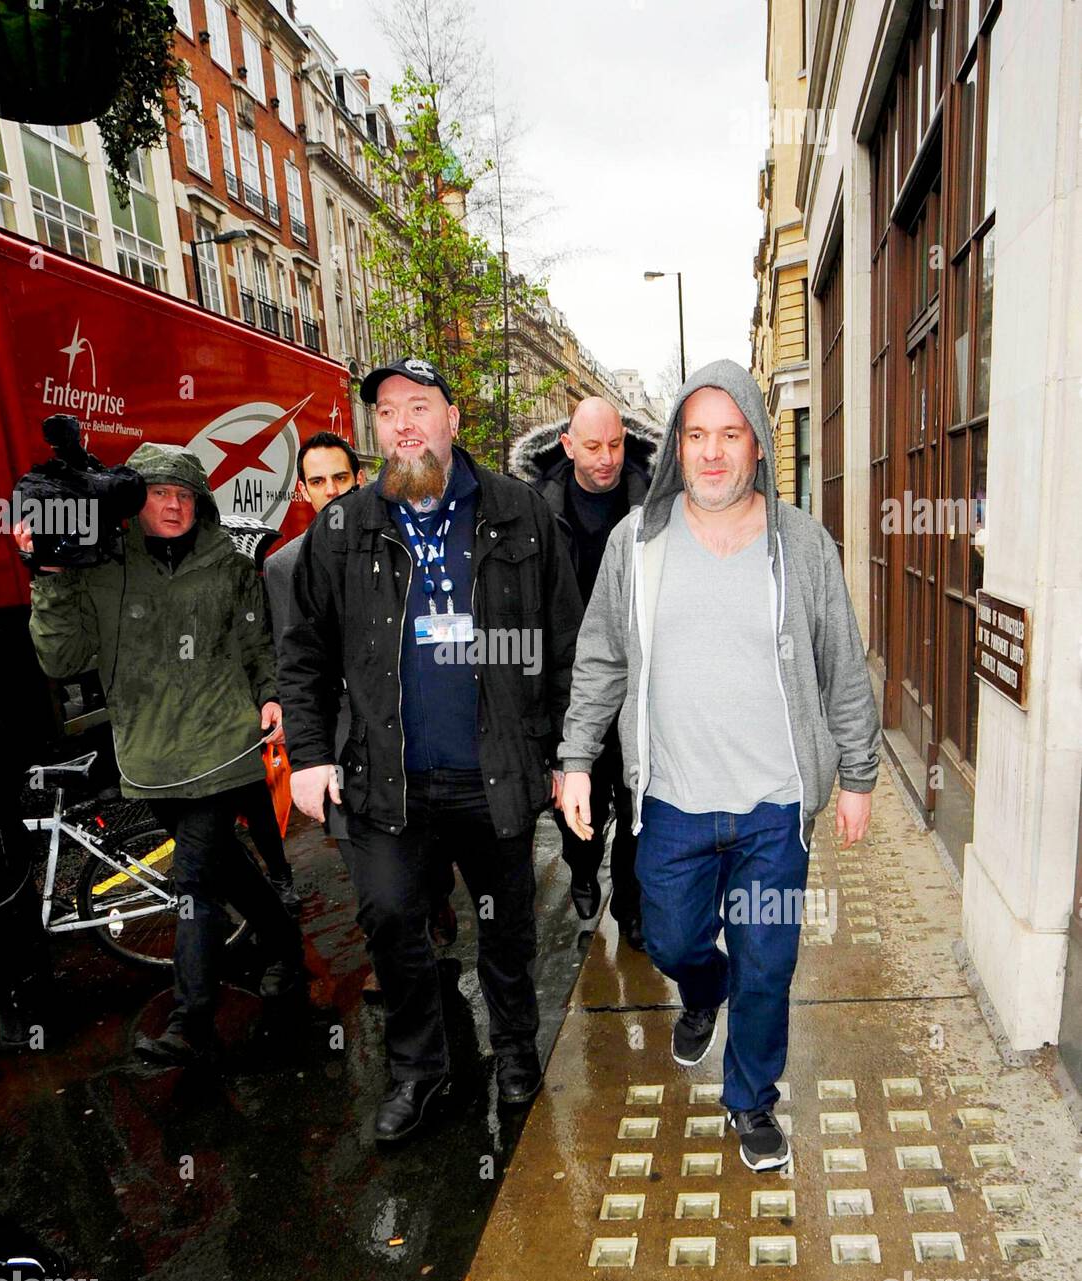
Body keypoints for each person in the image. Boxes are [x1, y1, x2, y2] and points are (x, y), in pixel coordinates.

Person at [559, 361, 880, 1172]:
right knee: (668, 941)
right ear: (674, 447)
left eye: (727, 435)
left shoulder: (800, 544)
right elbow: (599, 660)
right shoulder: (635, 543)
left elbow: (841, 664)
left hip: (775, 808)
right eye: (694, 435)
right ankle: (701, 990)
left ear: (757, 446)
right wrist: (571, 762)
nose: (710, 453)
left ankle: (751, 1100)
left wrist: (857, 774)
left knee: (769, 963)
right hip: (671, 803)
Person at [279, 356, 583, 1140]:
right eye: (386, 413)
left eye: (419, 406)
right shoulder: (343, 530)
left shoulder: (519, 512)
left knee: (506, 928)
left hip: (495, 773)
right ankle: (418, 1069)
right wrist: (311, 755)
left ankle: (515, 1048)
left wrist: (565, 756)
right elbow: (303, 652)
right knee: (388, 921)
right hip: (388, 781)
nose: (403, 424)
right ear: (374, 429)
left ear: (452, 419)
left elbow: (565, 645)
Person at [21, 443, 303, 1066]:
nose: (172, 506)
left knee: (195, 878)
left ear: (199, 502)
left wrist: (271, 695)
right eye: (157, 494)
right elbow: (61, 660)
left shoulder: (230, 561)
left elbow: (257, 641)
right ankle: (285, 945)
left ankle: (191, 1019)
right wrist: (50, 578)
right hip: (149, 756)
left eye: (183, 495)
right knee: (230, 869)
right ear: (132, 503)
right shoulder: (103, 568)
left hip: (223, 747)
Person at [266, 432, 458, 1000]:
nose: (330, 492)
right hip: (343, 742)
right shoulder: (283, 568)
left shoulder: (402, 541)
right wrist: (305, 743)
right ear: (303, 490)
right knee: (369, 867)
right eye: (317, 482)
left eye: (340, 479)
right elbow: (293, 658)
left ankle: (434, 895)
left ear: (360, 479)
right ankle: (395, 958)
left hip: (408, 731)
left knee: (424, 853)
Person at [510, 397, 657, 950]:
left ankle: (631, 900)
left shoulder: (654, 501)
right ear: (568, 445)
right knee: (582, 795)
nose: (607, 459)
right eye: (593, 447)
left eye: (616, 445)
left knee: (637, 796)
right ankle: (581, 867)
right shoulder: (534, 507)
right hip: (571, 682)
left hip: (639, 680)